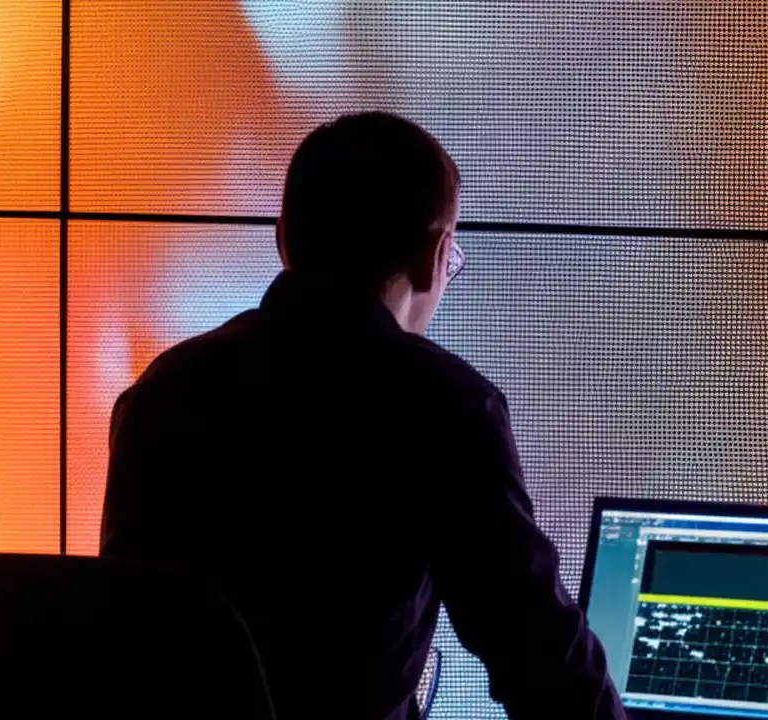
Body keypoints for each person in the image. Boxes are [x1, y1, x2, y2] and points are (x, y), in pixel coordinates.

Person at [99, 111, 627, 720]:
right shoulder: (444, 405)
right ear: (435, 255)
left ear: (283, 238)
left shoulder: (164, 388)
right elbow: (540, 657)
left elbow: (129, 634)